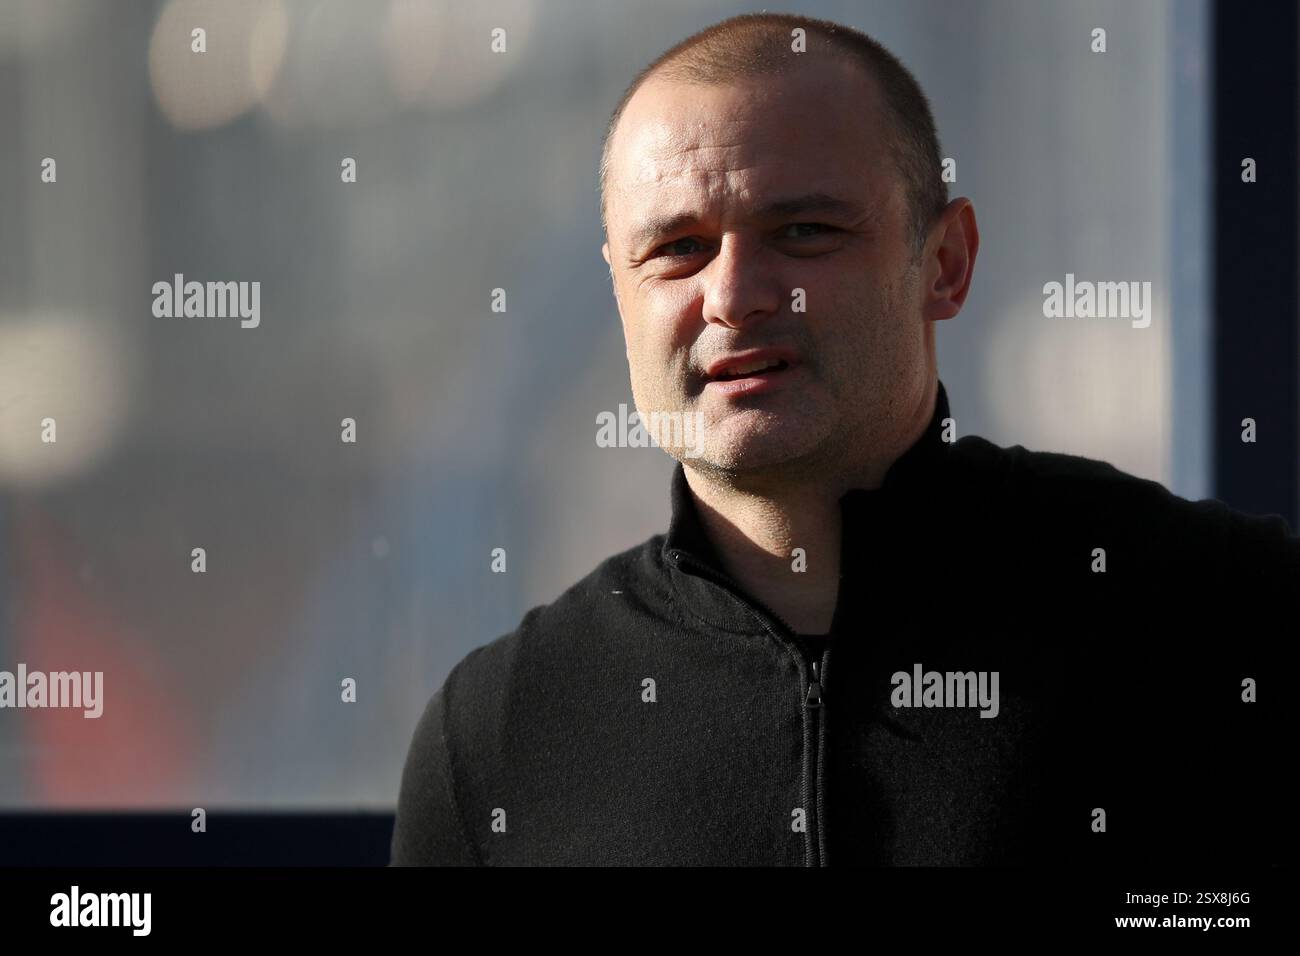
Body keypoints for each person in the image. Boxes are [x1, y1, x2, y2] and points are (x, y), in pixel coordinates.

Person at [391, 12, 1296, 866]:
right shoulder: (499, 734)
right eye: (677, 248)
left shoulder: (1216, 620)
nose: (735, 294)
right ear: (618, 293)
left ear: (944, 263)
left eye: (804, 231)